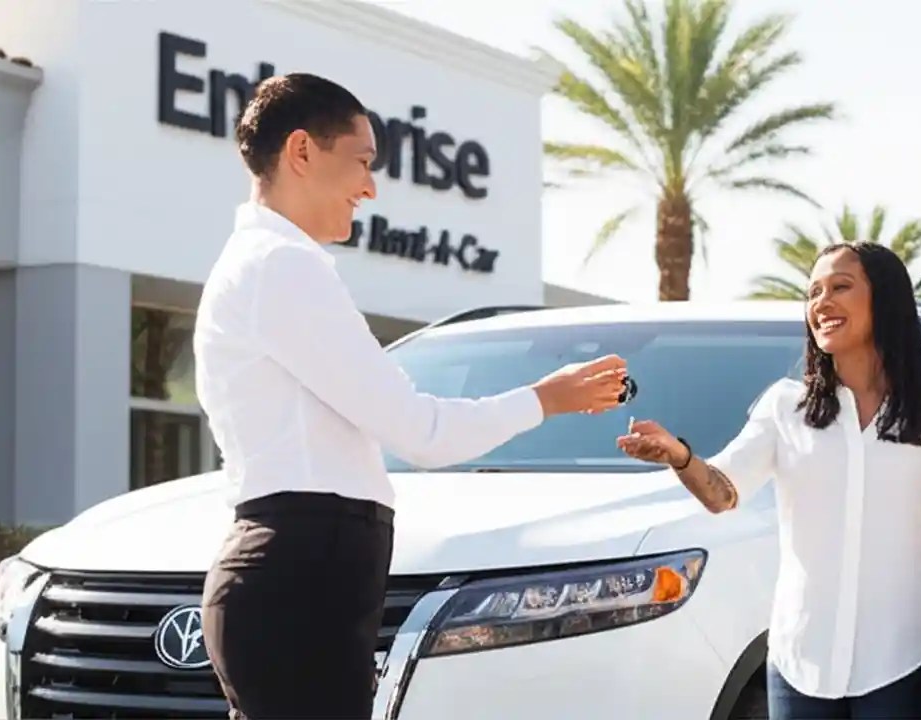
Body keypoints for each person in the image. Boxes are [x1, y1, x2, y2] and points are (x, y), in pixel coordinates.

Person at [194, 73, 627, 720]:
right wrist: (545, 399)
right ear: (303, 152)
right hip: (297, 584)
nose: (371, 187)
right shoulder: (279, 267)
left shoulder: (270, 265)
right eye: (363, 163)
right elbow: (422, 432)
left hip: (297, 582)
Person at [617, 242, 921, 720]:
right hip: (800, 663)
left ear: (886, 298)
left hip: (904, 660)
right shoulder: (787, 407)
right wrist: (681, 456)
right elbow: (722, 490)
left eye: (840, 287)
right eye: (813, 292)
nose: (822, 303)